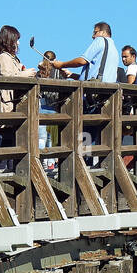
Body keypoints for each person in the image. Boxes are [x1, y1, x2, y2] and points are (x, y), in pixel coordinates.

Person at [48, 22, 118, 166]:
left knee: (83, 133)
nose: (93, 36)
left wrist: (61, 65)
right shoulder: (114, 49)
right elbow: (97, 73)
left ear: (103, 32)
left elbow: (82, 60)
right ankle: (90, 166)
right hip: (105, 96)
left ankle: (80, 166)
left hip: (91, 96)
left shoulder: (100, 41)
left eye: (95, 32)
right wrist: (73, 75)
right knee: (92, 135)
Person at [0, 25, 36, 171]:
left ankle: (10, 173)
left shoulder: (11, 57)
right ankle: (5, 176)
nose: (18, 43)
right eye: (17, 39)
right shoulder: (4, 57)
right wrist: (26, 74)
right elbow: (7, 76)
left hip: (11, 105)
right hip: (7, 106)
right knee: (7, 146)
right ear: (10, 40)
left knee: (11, 146)